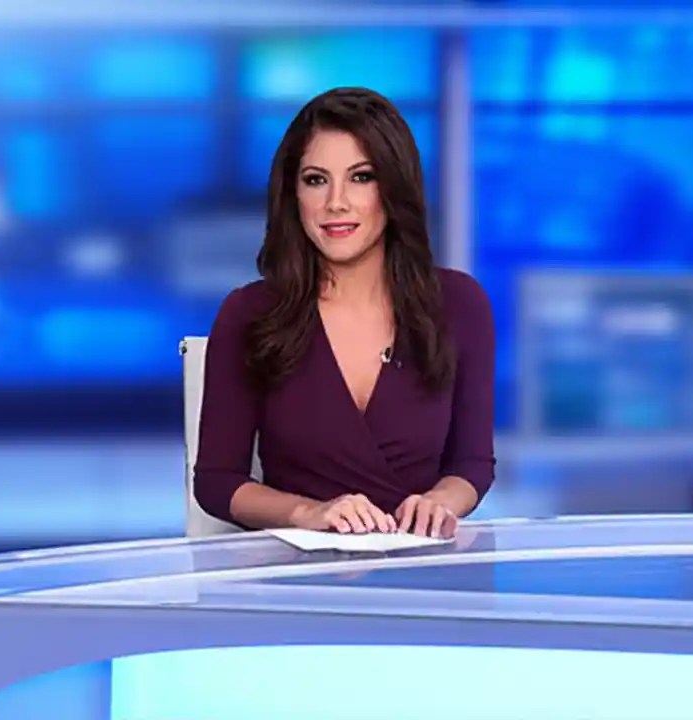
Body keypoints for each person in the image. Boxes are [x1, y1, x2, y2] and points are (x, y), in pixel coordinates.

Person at [192, 87, 495, 540]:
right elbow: (217, 482)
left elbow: (472, 464)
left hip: (426, 575)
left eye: (361, 177)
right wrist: (308, 513)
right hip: (297, 582)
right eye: (316, 179)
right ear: (292, 193)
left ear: (393, 188)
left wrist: (439, 503)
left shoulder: (459, 304)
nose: (336, 202)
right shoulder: (250, 314)